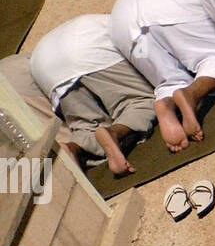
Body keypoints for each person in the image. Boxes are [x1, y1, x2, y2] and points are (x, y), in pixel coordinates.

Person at [109, 0, 215, 153]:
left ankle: (167, 100)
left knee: (169, 80)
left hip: (123, 26)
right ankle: (191, 93)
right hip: (168, 5)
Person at [28, 14, 155, 175]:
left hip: (43, 64)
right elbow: (147, 57)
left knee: (85, 126)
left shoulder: (110, 18)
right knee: (142, 100)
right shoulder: (137, 29)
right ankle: (114, 133)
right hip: (88, 49)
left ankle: (72, 148)